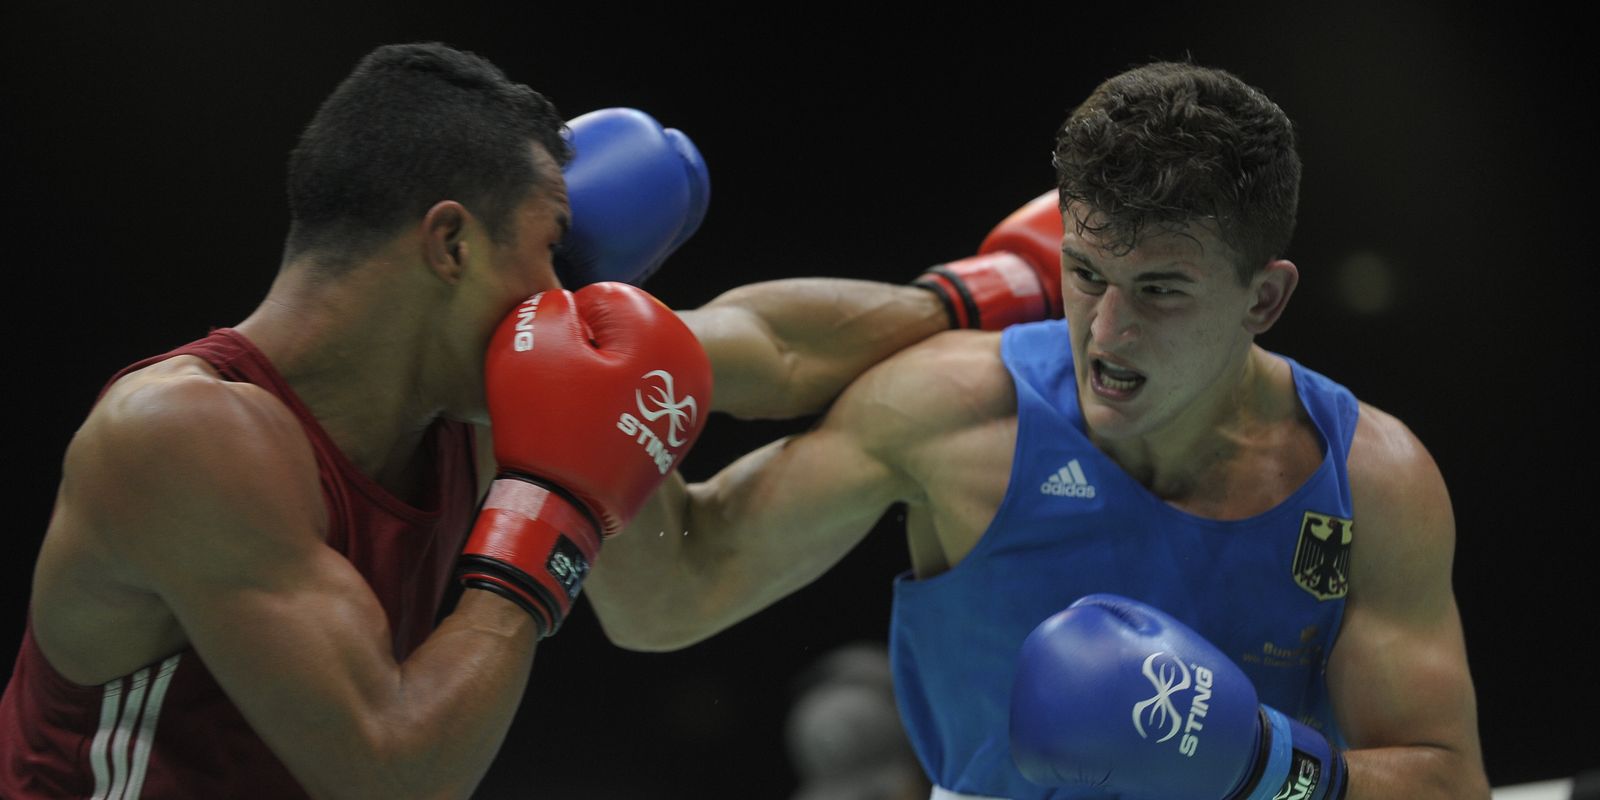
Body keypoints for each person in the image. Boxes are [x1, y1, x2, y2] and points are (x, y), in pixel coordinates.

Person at [0, 41, 1024, 798]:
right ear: (450, 243)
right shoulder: (182, 437)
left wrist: (993, 288)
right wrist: (551, 507)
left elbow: (763, 362)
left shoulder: (477, 392)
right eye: (552, 249)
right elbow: (394, 770)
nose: (570, 293)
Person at [585, 60, 1491, 799]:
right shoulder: (953, 413)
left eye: (1160, 290)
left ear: (1265, 298)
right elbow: (670, 599)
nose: (1105, 333)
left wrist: (1259, 766)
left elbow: (1447, 783)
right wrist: (587, 393)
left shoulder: (1369, 477)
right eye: (1087, 273)